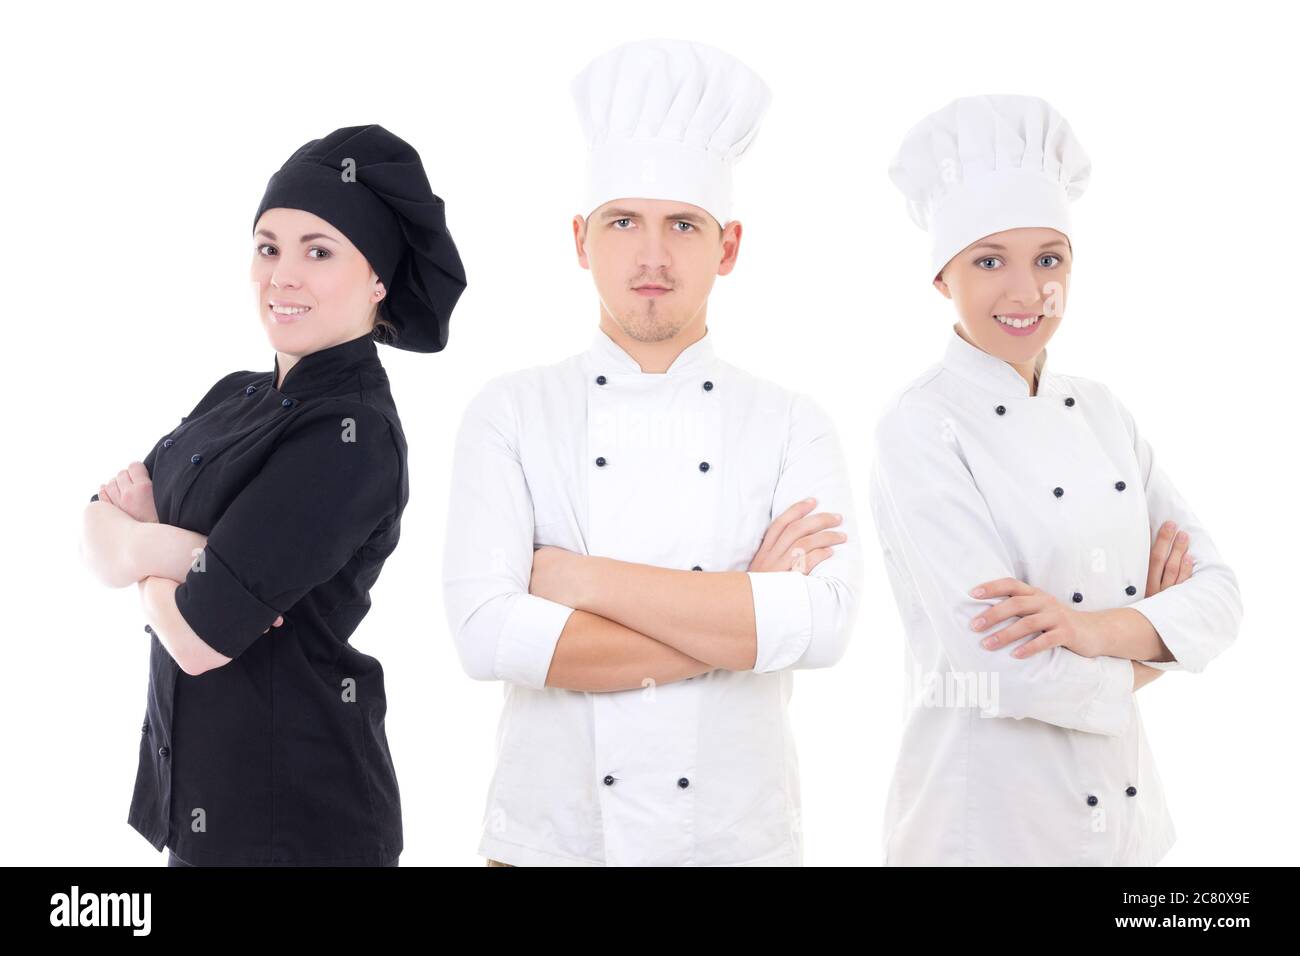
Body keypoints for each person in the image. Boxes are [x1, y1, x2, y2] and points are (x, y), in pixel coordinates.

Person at [442, 37, 863, 866]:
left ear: (729, 246)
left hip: (734, 845)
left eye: (683, 225)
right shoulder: (509, 411)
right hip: (546, 846)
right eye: (623, 221)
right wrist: (743, 613)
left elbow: (824, 627)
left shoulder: (792, 421)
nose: (652, 257)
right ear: (579, 239)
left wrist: (579, 580)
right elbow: (486, 638)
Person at [869, 94, 1243, 865]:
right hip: (986, 828)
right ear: (942, 276)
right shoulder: (920, 426)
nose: (1024, 291)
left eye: (1048, 259)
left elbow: (1221, 597)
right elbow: (1005, 670)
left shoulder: (1104, 413)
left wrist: (1089, 630)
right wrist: (1156, 639)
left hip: (1131, 828)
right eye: (988, 260)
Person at [80, 124, 466, 866]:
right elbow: (95, 524)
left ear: (376, 279)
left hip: (300, 818)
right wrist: (157, 547)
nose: (282, 275)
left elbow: (199, 639)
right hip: (203, 801)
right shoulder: (236, 394)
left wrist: (140, 547)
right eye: (268, 247)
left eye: (318, 251)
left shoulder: (352, 434)